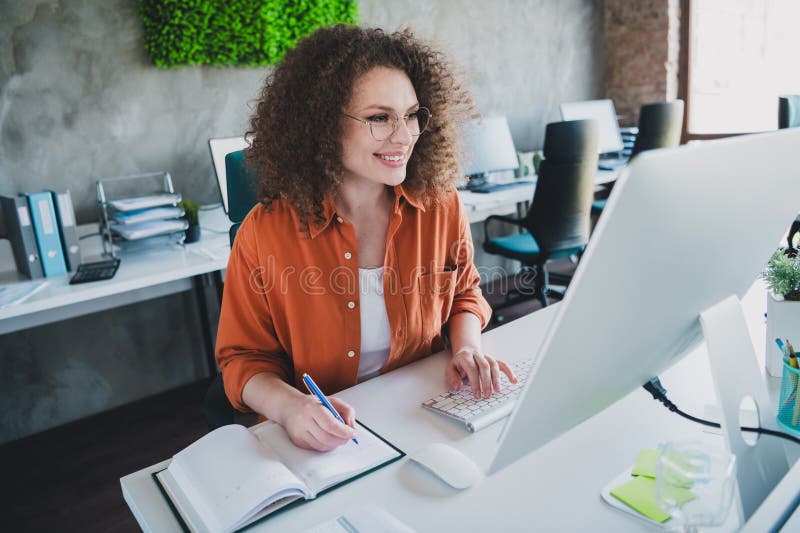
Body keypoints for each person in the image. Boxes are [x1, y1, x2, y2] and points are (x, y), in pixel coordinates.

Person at [216, 25, 517, 452]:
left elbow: (464, 293)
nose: (404, 135)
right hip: (322, 440)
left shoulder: (440, 205)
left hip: (423, 416)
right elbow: (243, 360)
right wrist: (288, 407)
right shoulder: (264, 233)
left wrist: (466, 348)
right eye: (380, 117)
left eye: (412, 114)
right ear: (321, 126)